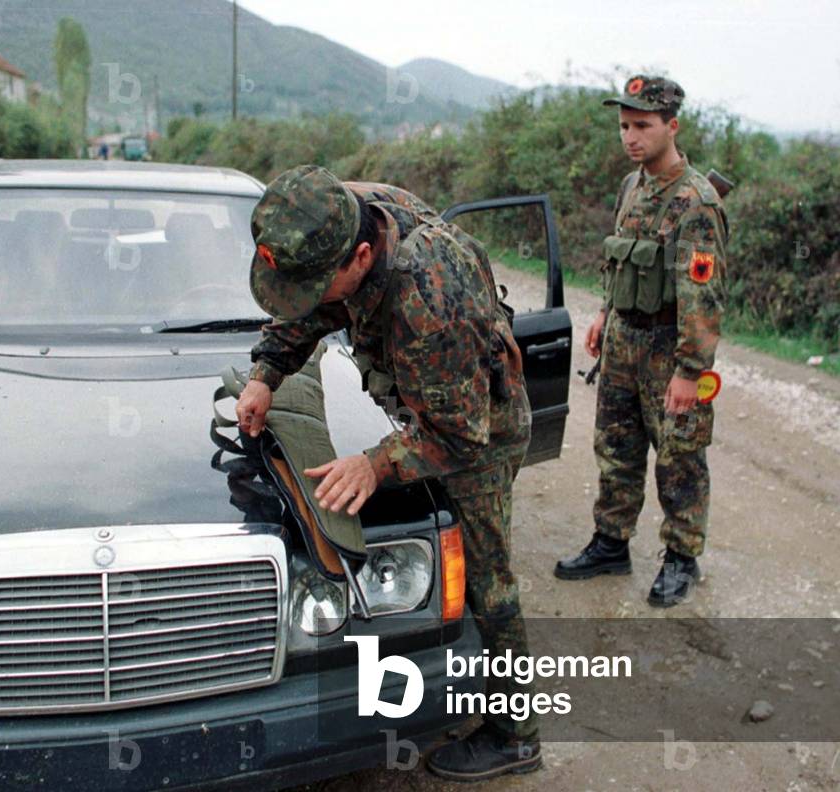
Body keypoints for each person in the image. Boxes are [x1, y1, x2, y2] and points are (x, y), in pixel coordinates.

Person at [234, 164, 543, 780]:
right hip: (424, 402)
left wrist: (376, 463)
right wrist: (267, 374)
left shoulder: (429, 293)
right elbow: (309, 308)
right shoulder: (334, 217)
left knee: (488, 580)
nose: (310, 295)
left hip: (479, 431)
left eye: (317, 284)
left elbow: (459, 433)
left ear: (361, 257)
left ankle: (516, 735)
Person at [554, 75, 729, 607]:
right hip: (623, 342)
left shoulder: (696, 202)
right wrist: (604, 313)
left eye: (642, 126)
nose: (630, 137)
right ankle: (611, 542)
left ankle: (681, 557)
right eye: (624, 126)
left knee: (679, 457)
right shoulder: (631, 186)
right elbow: (619, 260)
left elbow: (703, 295)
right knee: (616, 447)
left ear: (672, 126)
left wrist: (690, 371)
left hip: (667, 348)